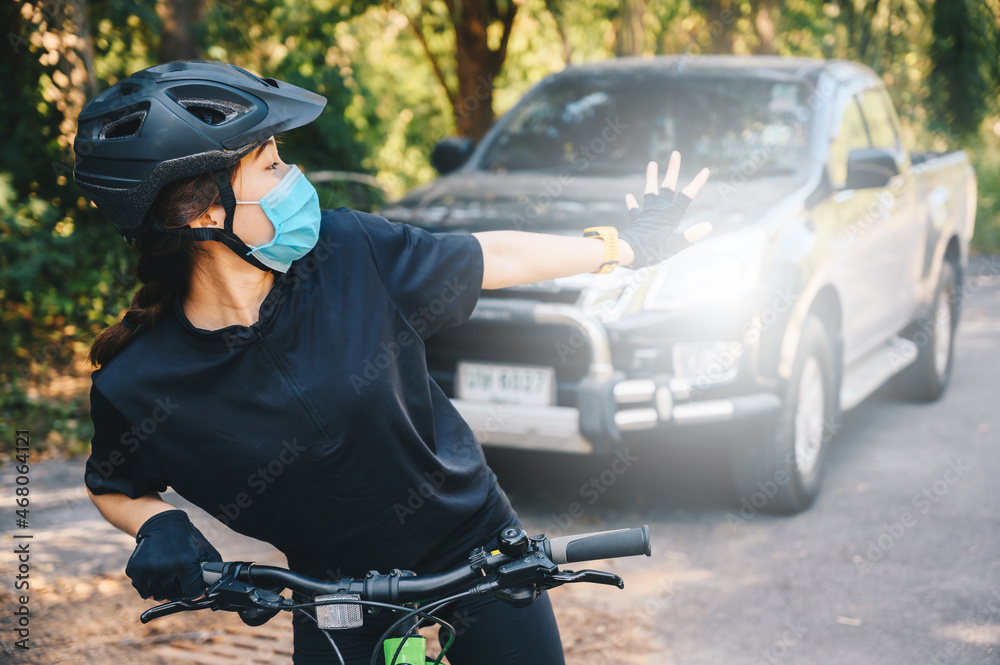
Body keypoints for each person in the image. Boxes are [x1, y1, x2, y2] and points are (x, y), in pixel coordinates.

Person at [75, 60, 710, 665]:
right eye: (271, 167)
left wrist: (624, 246)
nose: (294, 179)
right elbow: (115, 484)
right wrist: (156, 524)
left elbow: (492, 256)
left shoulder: (350, 253)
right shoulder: (140, 382)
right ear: (206, 213)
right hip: (332, 593)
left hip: (478, 551)